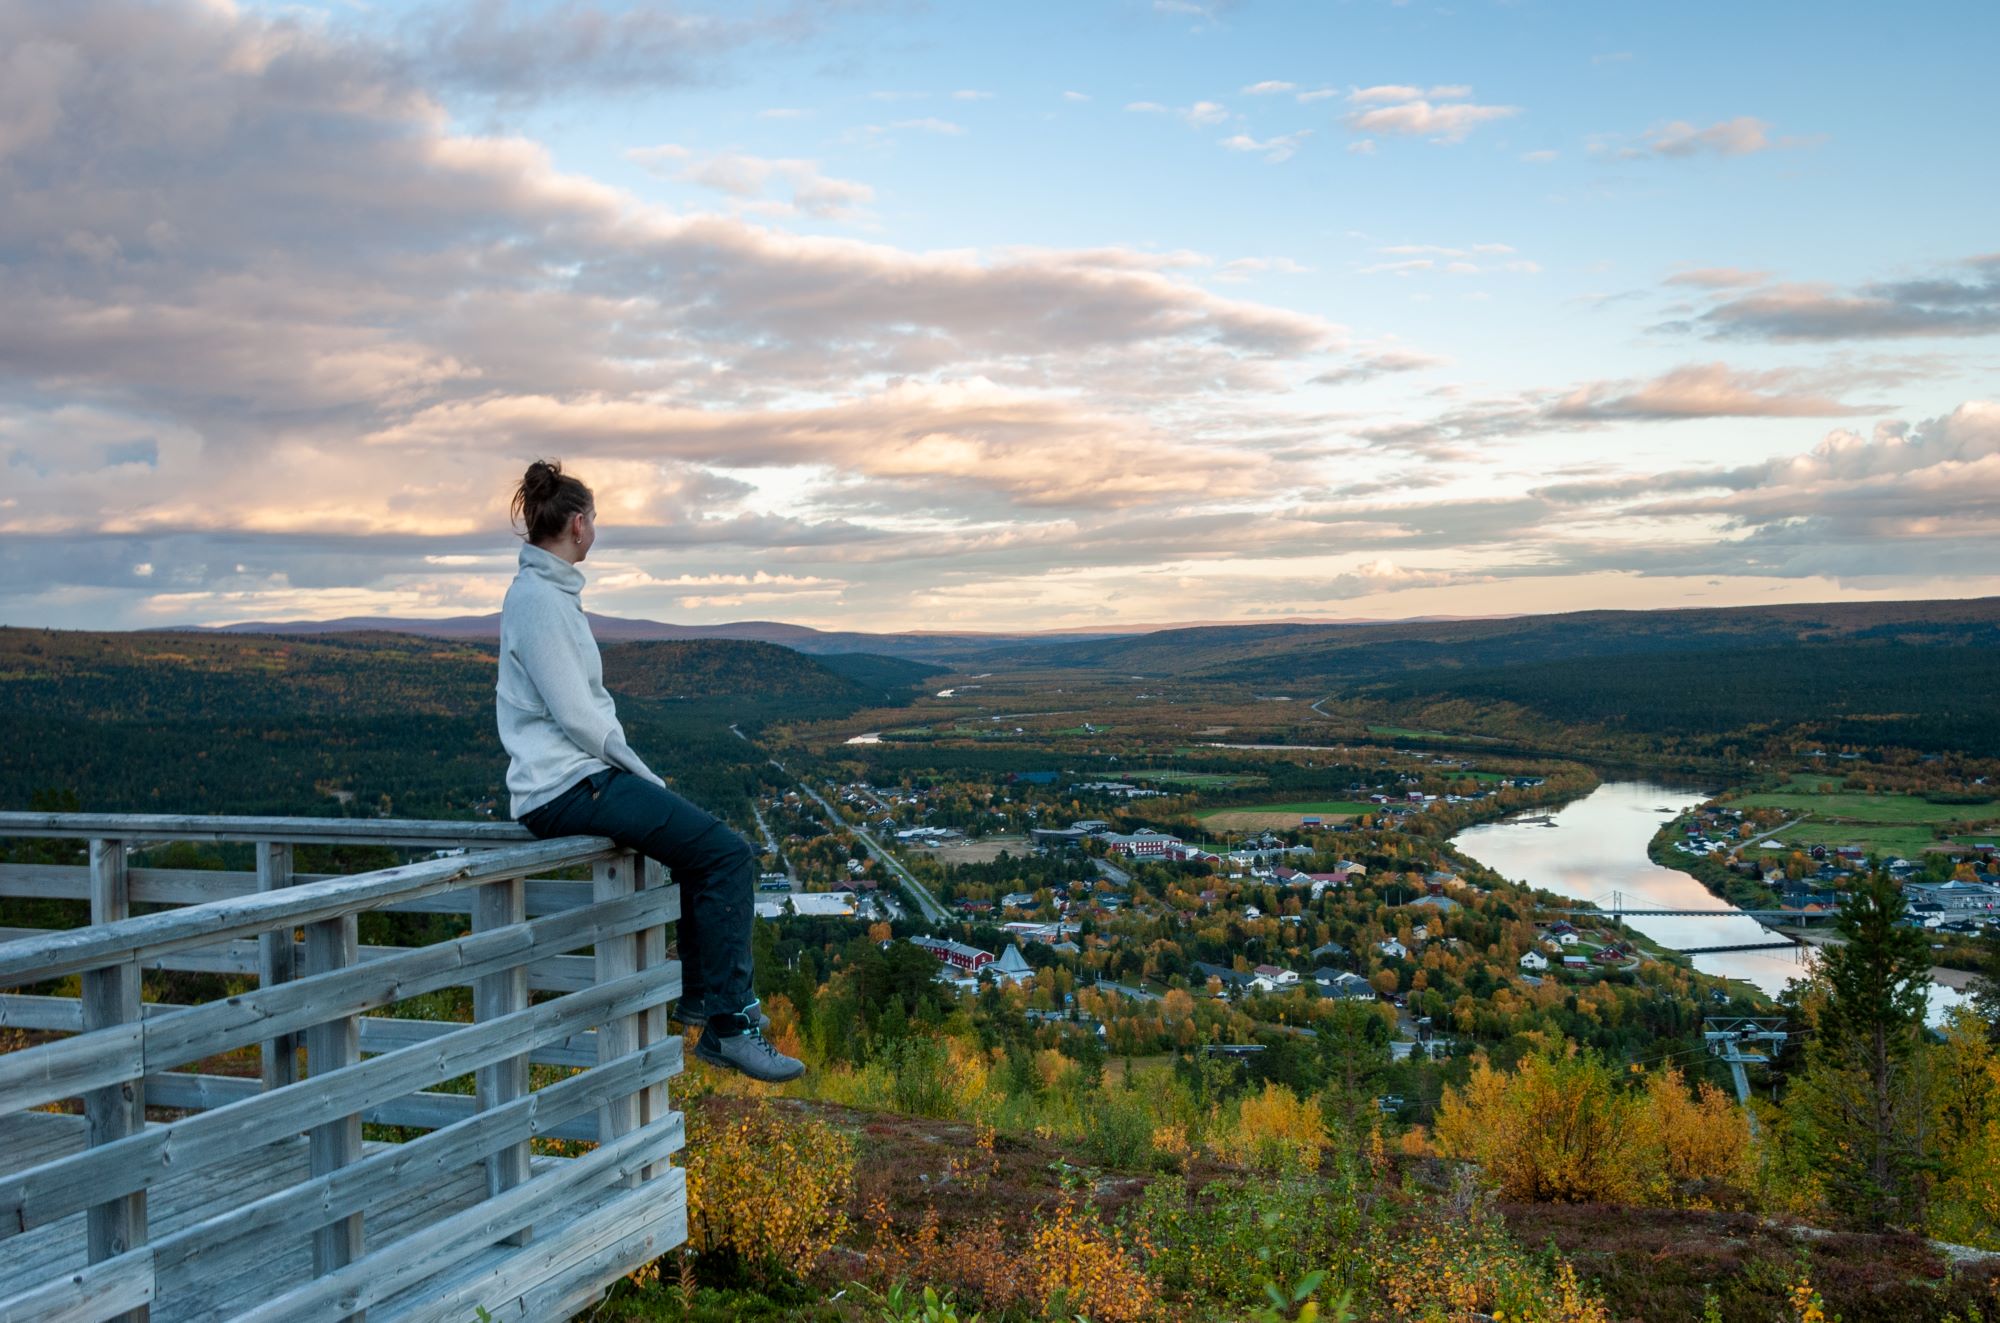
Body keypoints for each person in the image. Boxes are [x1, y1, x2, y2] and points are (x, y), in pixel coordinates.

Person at [498, 458, 803, 1083]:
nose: (595, 530)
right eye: (594, 520)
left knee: (699, 851)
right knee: (727, 855)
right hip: (566, 786)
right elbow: (577, 714)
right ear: (578, 525)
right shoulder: (539, 601)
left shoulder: (545, 594)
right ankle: (729, 1028)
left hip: (570, 781)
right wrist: (640, 773)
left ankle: (702, 996)